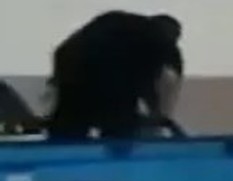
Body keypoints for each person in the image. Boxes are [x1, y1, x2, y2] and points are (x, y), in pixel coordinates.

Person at [46, 10, 184, 139]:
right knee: (118, 126)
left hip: (75, 67)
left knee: (71, 125)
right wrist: (156, 113)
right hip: (94, 69)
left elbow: (64, 52)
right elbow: (147, 82)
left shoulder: (121, 24)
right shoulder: (155, 40)